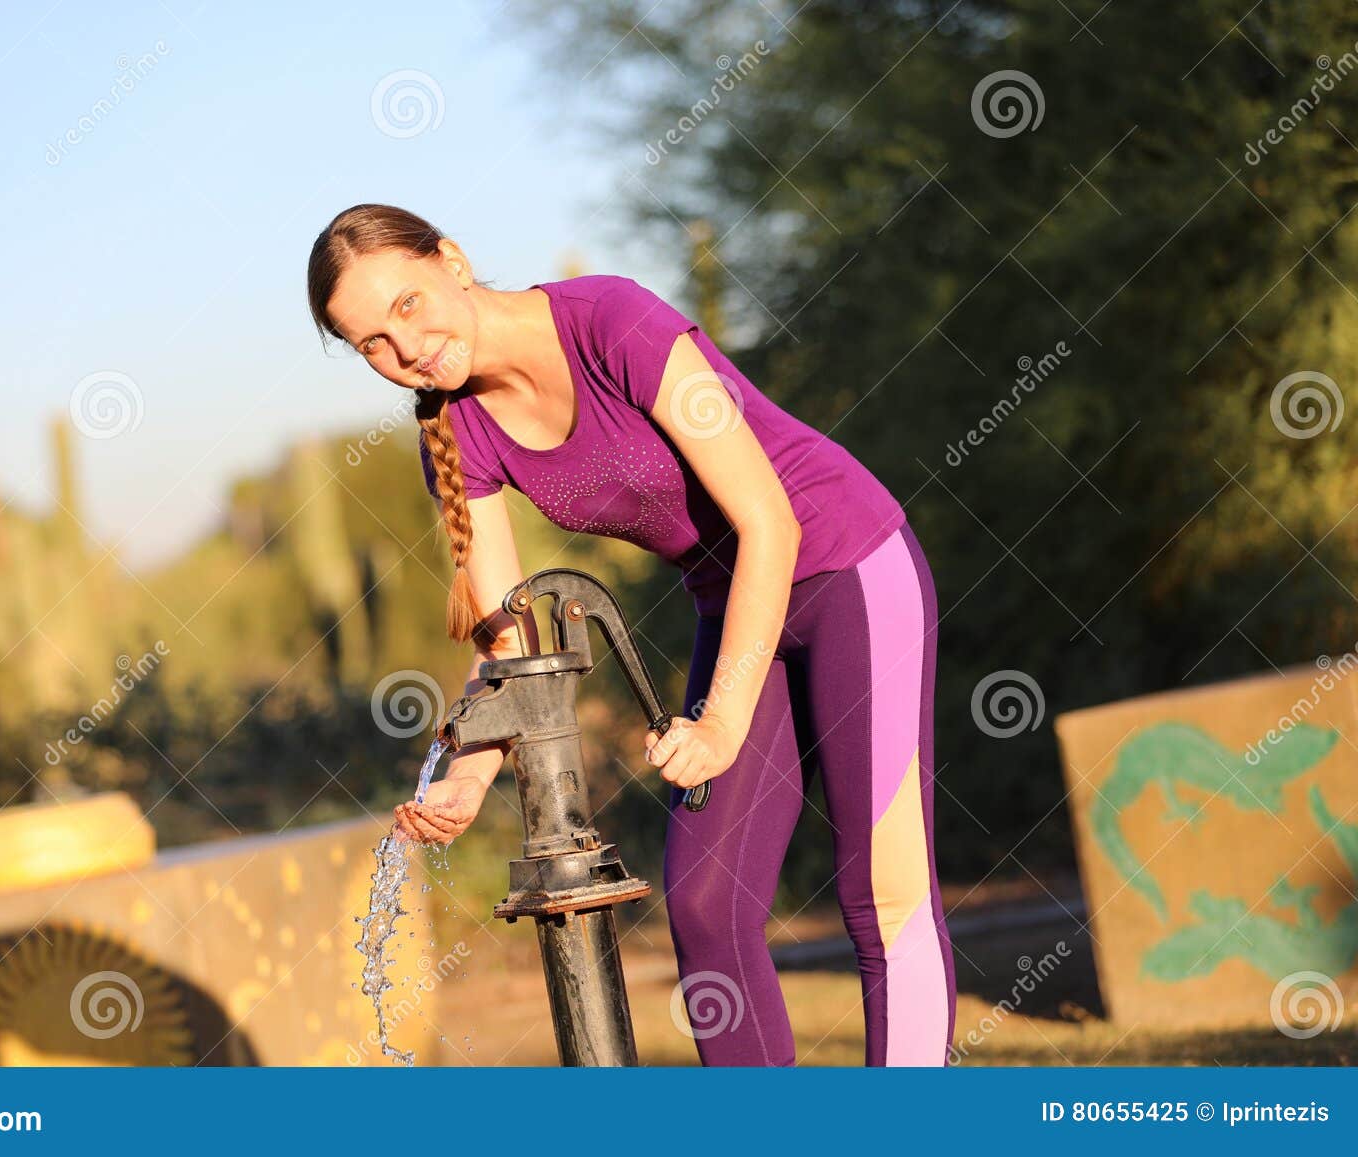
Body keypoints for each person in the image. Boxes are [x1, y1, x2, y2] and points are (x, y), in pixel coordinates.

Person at [306, 202, 956, 1067]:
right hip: (735, 610)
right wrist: (466, 777)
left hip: (849, 566)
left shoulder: (613, 320)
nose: (405, 349)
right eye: (371, 345)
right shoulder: (457, 433)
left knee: (883, 888)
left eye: (408, 306)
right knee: (705, 905)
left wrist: (721, 720)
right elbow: (510, 636)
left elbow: (769, 521)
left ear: (451, 259)